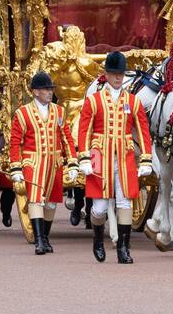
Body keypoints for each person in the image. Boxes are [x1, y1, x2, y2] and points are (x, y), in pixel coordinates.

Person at [76, 51, 153, 264]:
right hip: (99, 156)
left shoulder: (133, 101)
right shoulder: (94, 101)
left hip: (125, 156)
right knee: (99, 209)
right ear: (107, 74)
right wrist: (83, 156)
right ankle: (98, 239)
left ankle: (123, 248)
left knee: (125, 202)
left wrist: (146, 158)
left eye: (121, 74)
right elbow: (84, 130)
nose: (118, 78)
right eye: (114, 74)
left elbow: (143, 131)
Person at [9, 71, 77, 255]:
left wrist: (72, 162)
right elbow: (15, 142)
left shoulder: (59, 111)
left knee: (52, 203)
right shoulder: (23, 113)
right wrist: (16, 167)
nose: (50, 92)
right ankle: (39, 240)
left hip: (54, 163)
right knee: (36, 199)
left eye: (50, 89)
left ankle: (45, 237)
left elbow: (66, 138)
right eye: (46, 89)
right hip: (33, 162)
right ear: (35, 92)